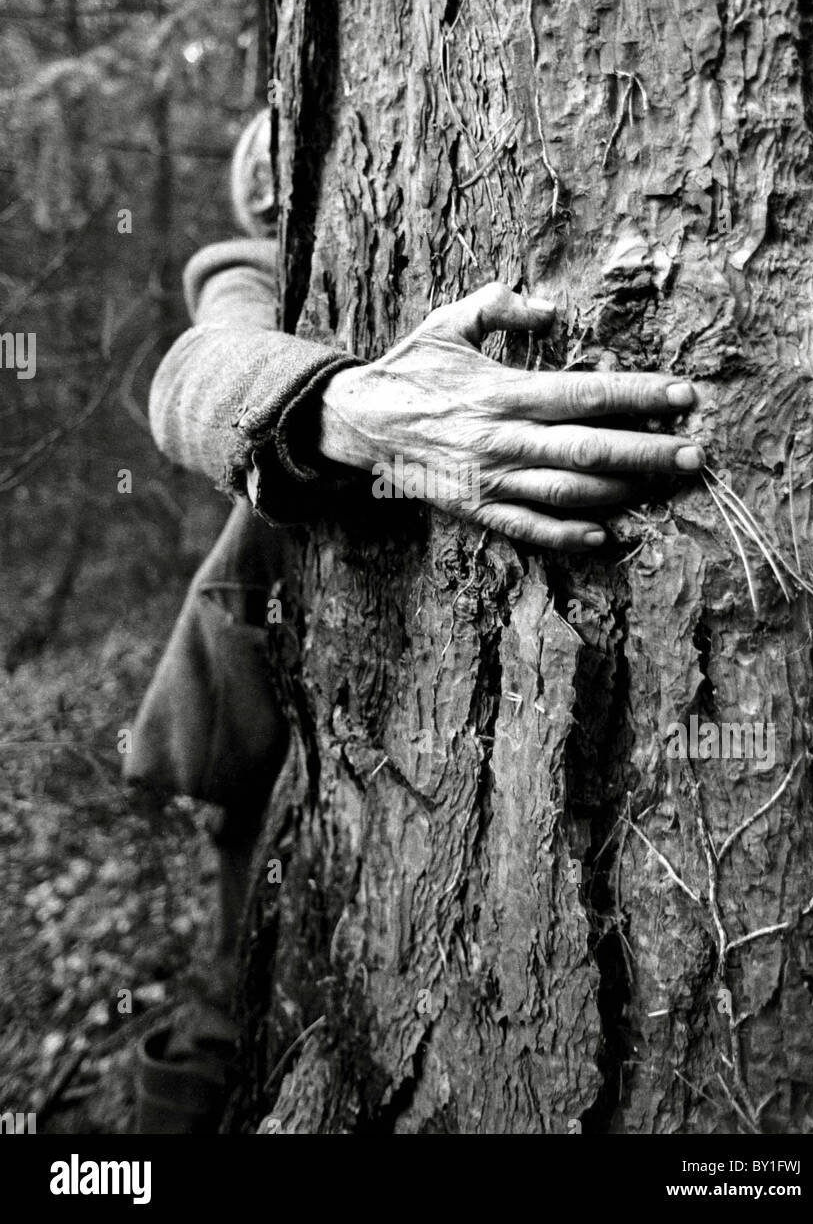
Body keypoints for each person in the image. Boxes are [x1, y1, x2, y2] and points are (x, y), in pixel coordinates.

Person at [128, 110, 704, 1132]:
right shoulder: (250, 269)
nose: (271, 160)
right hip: (255, 723)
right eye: (259, 154)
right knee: (229, 992)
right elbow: (192, 374)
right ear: (261, 196)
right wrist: (353, 409)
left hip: (341, 711)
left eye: (281, 136)